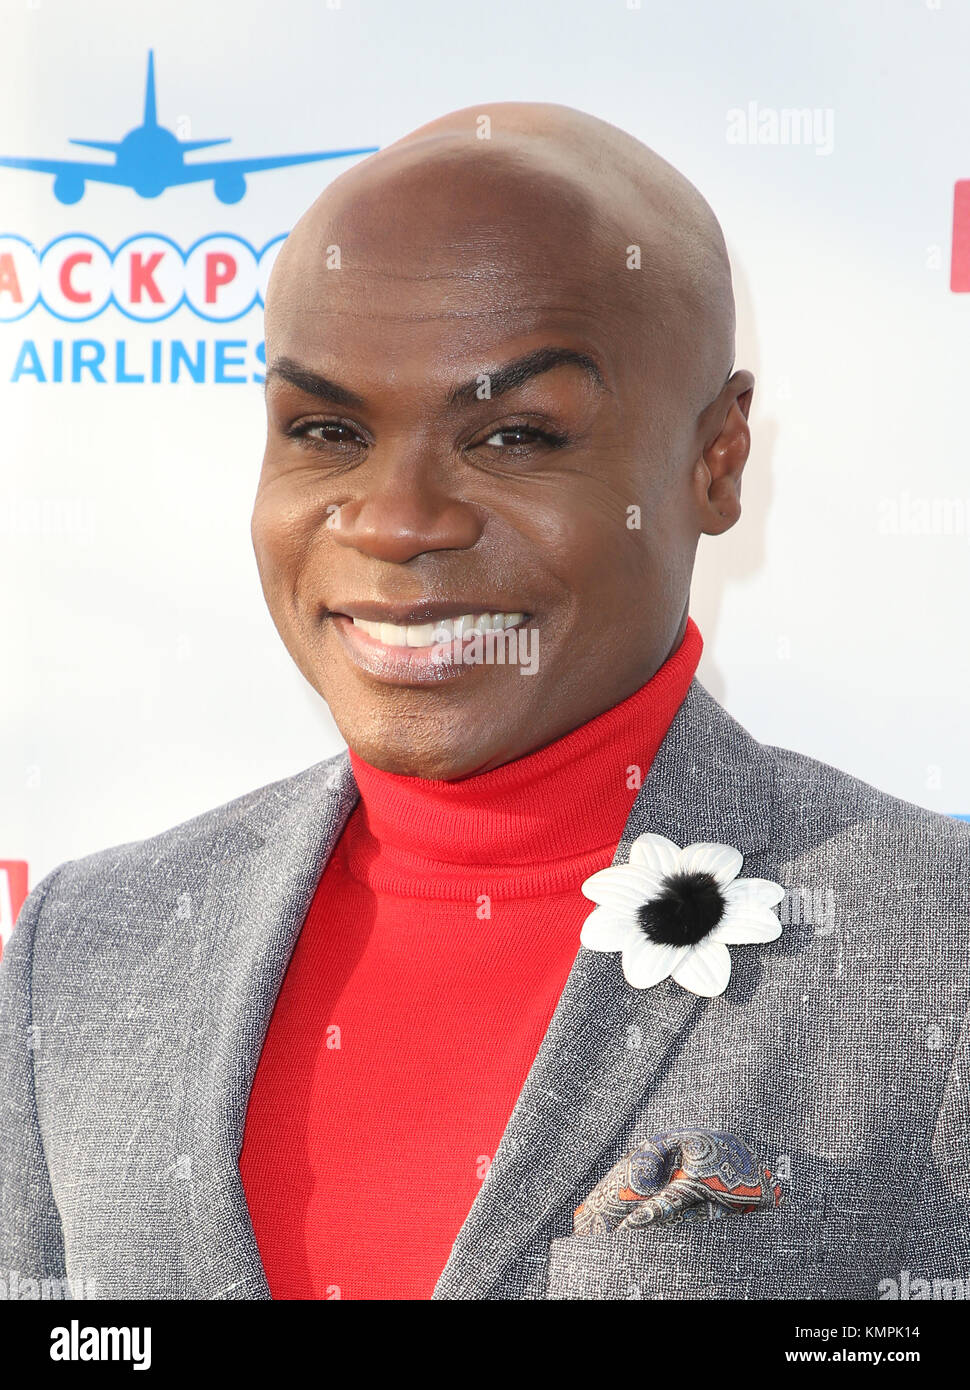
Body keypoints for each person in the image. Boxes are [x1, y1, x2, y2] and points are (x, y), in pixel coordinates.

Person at [1, 102, 967, 1302]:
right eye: (327, 429)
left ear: (716, 460)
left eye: (513, 436)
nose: (396, 521)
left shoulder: (937, 946)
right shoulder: (86, 950)